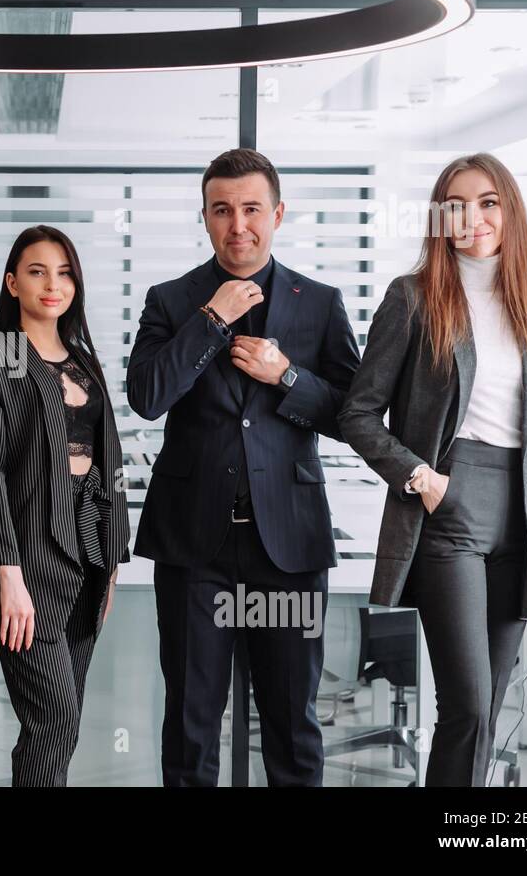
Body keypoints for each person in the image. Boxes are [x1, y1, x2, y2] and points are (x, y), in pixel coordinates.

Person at [127, 147, 360, 787]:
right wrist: (211, 321)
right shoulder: (171, 300)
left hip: (288, 543)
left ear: (278, 213)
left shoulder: (320, 303)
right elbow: (147, 397)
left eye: (252, 209)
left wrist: (286, 376)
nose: (239, 226)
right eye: (222, 210)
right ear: (204, 217)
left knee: (292, 724)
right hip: (194, 547)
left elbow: (351, 417)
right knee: (191, 723)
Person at [338, 152, 527, 786]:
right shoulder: (413, 298)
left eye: (488, 202)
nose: (474, 218)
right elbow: (357, 413)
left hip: (521, 517)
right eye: (458, 205)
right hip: (451, 509)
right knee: (466, 705)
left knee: (488, 710)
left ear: (509, 210)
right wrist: (423, 478)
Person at [0, 225, 129, 786]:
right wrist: (6, 576)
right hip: (29, 568)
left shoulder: (84, 361)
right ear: (12, 283)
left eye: (64, 273)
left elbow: (109, 465)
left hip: (89, 559)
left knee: (64, 723)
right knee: (52, 721)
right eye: (36, 271)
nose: (52, 284)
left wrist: (112, 567)